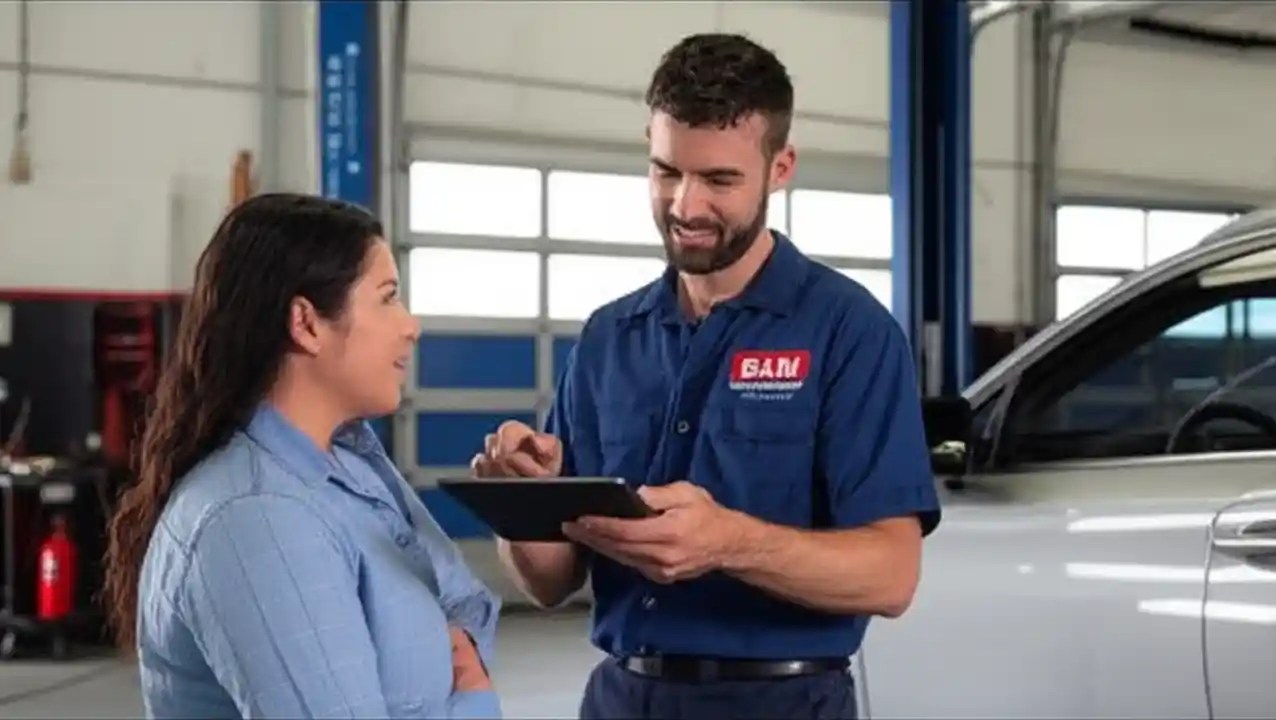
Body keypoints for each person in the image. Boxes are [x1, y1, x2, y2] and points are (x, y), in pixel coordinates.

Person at [472, 33, 941, 720]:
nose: (686, 207)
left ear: (780, 167)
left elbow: (892, 575)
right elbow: (549, 583)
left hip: (782, 702)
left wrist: (730, 541)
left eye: (720, 180)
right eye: (667, 172)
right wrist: (519, 508)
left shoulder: (850, 332)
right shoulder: (609, 338)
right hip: (620, 697)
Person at [102, 194, 502, 719]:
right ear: (306, 323)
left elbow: (467, 604)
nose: (411, 325)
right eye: (388, 298)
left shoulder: (351, 465)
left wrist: (463, 661)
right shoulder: (256, 517)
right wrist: (470, 699)